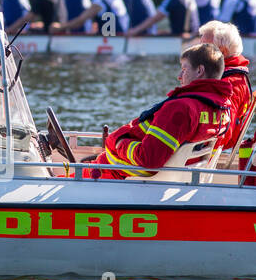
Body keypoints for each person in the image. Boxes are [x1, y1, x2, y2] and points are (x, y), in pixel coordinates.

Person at [82, 43, 234, 179]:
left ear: (200, 70)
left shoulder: (180, 108)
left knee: (63, 176)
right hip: (174, 179)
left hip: (116, 176)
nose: (179, 76)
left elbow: (149, 159)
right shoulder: (224, 107)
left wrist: (119, 142)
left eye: (184, 69)